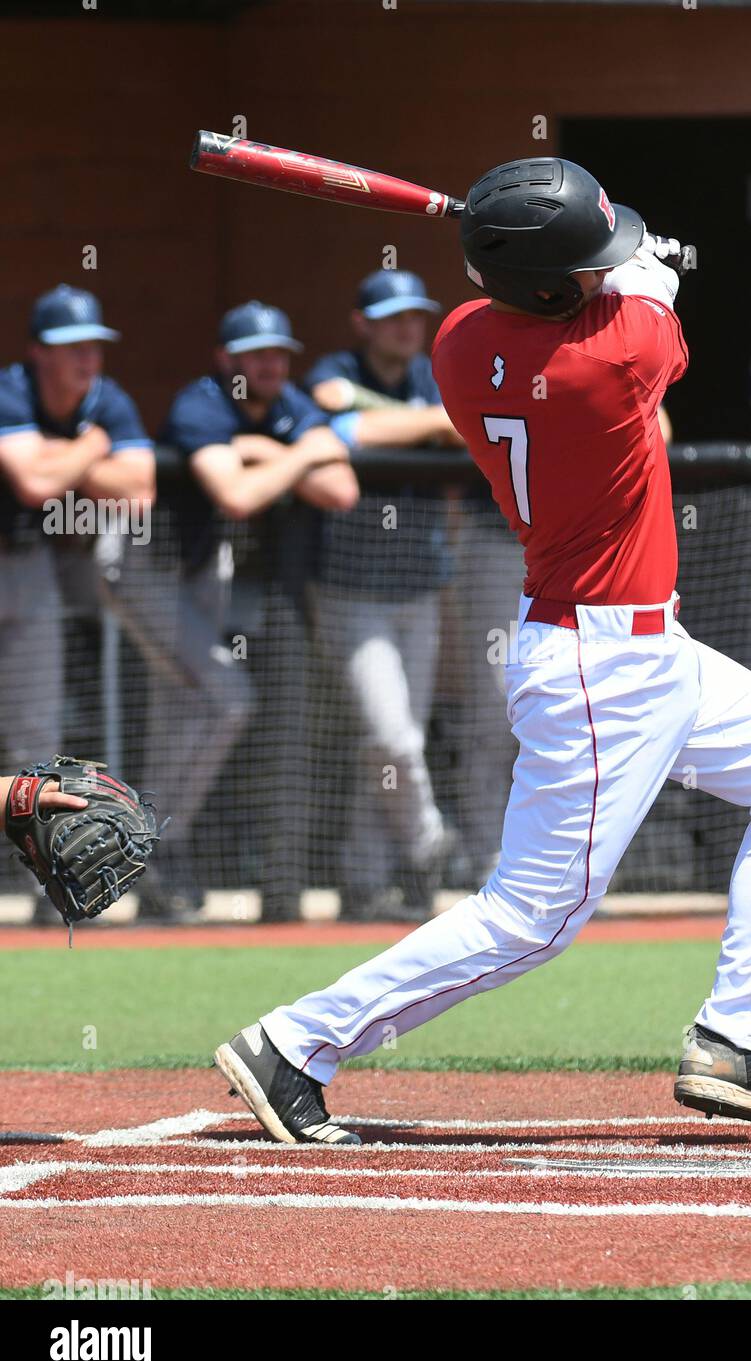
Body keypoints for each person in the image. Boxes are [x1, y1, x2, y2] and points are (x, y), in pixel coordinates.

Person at [214, 159, 751, 1145]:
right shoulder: (617, 356)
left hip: (646, 649)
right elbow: (646, 282)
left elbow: (586, 280)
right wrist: (620, 256)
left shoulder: (460, 339)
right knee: (532, 918)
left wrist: (564, 245)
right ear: (550, 284)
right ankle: (296, 1044)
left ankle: (738, 1037)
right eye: (584, 265)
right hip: (604, 669)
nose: (605, 272)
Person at [106, 302, 357, 920]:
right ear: (228, 360)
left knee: (185, 711)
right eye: (256, 355)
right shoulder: (204, 403)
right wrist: (295, 455)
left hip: (197, 572)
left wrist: (262, 449)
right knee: (229, 697)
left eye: (278, 354)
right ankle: (159, 843)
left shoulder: (287, 405)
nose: (270, 365)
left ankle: (155, 851)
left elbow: (343, 490)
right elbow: (239, 496)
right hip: (142, 566)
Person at [304, 270, 459, 920]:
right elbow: (337, 428)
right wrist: (407, 424)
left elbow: (457, 425)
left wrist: (374, 409)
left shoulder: (427, 373)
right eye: (391, 316)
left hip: (419, 586)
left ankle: (364, 881)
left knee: (400, 740)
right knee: (390, 736)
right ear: (362, 322)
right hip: (347, 588)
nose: (406, 326)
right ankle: (429, 843)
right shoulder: (332, 367)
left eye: (414, 315)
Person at [0, 286, 155, 917]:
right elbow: (34, 482)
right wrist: (91, 450)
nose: (86, 359)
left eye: (93, 346)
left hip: (30, 568)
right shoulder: (11, 389)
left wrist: (60, 460)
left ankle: (30, 886)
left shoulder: (106, 399)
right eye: (70, 347)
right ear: (39, 352)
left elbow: (139, 494)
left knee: (33, 732)